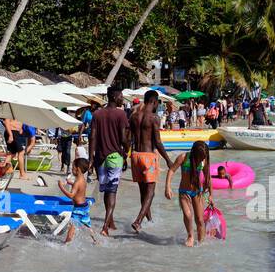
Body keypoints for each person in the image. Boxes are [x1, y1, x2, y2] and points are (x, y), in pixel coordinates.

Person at [129, 91, 174, 233]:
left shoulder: (134, 116)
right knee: (151, 192)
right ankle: (138, 221)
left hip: (135, 156)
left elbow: (127, 138)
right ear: (154, 102)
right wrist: (168, 160)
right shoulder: (154, 118)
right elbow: (158, 142)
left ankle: (149, 221)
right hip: (148, 156)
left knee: (143, 192)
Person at [89, 86, 131, 236]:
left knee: (106, 190)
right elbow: (123, 138)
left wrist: (90, 159)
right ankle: (105, 227)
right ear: (114, 97)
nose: (122, 99)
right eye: (121, 96)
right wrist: (127, 149)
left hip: (100, 158)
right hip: (114, 157)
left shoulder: (97, 114)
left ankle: (110, 220)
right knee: (112, 191)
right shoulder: (120, 115)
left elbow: (92, 137)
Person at [165, 140, 211, 247]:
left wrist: (210, 195)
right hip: (184, 192)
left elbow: (208, 178)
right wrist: (168, 187)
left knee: (199, 219)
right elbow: (171, 170)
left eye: (204, 157)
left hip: (197, 192)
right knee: (188, 214)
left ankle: (201, 242)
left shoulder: (203, 162)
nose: (202, 159)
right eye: (200, 157)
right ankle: (190, 235)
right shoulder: (183, 158)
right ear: (194, 153)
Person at [58, 158, 97, 244]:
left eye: (73, 168)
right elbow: (79, 187)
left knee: (72, 225)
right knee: (87, 225)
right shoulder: (83, 179)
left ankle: (67, 242)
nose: (72, 170)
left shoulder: (77, 182)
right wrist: (70, 183)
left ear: (78, 169)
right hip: (85, 206)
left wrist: (61, 187)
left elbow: (71, 195)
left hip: (78, 208)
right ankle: (96, 241)